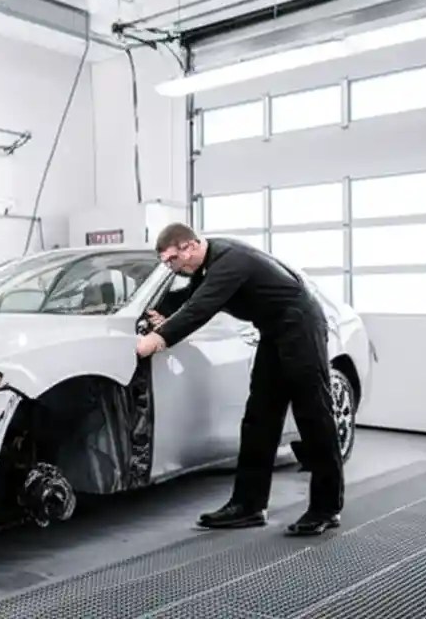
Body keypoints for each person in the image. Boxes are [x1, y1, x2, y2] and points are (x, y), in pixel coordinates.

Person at [136, 223, 344, 535]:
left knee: (314, 416)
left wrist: (155, 340)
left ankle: (326, 509)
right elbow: (190, 297)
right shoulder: (207, 263)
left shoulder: (231, 260)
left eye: (172, 261)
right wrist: (152, 312)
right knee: (259, 418)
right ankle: (248, 506)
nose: (171, 268)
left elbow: (201, 308)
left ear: (189, 247)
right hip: (274, 331)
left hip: (301, 326)